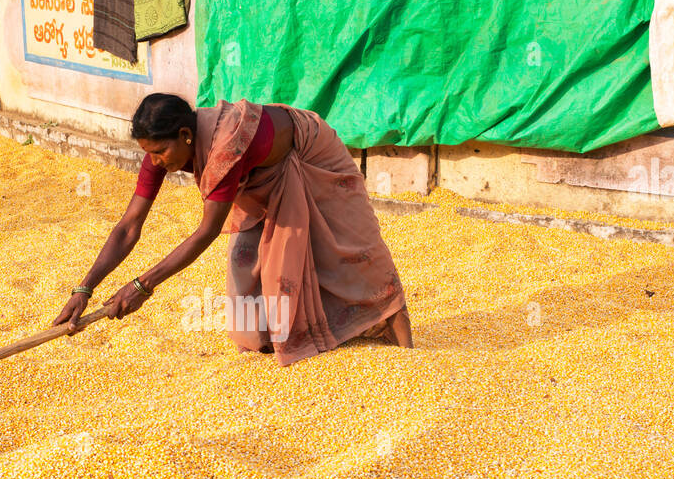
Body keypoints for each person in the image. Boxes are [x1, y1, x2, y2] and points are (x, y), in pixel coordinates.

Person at [53, 93, 412, 365]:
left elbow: (206, 231)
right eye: (150, 153)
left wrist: (141, 285)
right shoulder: (161, 153)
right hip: (260, 178)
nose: (157, 161)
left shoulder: (225, 149)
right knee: (246, 274)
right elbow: (129, 227)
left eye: (161, 152)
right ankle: (286, 341)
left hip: (310, 154)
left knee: (353, 250)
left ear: (185, 135)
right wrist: (85, 288)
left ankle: (409, 355)